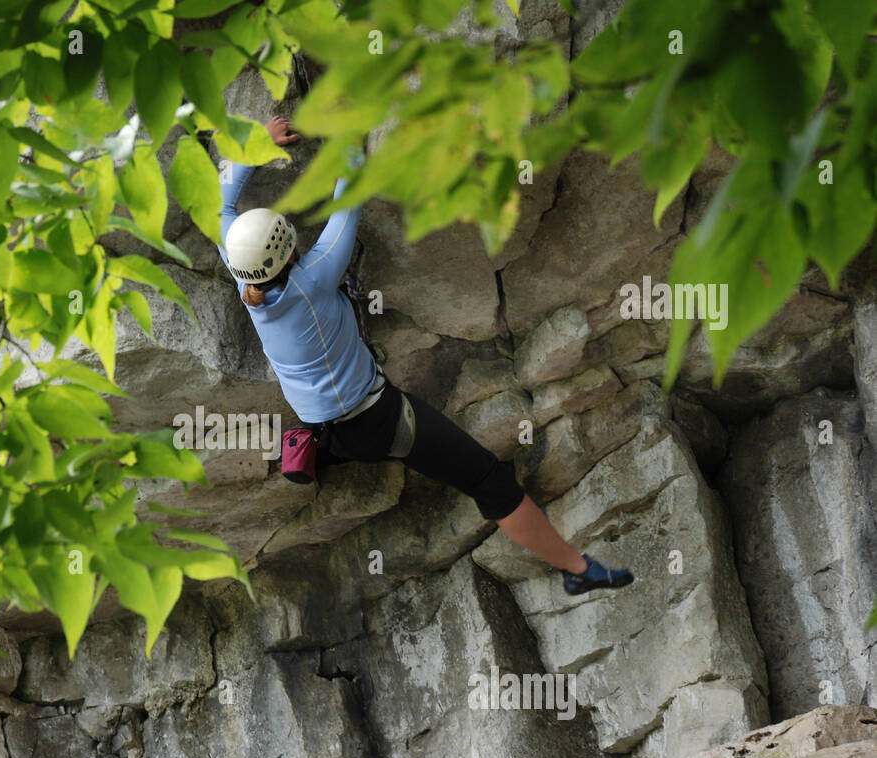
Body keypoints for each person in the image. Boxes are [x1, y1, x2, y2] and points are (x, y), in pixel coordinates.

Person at [216, 116, 634, 596]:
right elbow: (350, 195)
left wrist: (255, 144)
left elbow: (218, 200)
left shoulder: (242, 273)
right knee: (485, 478)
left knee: (341, 431)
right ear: (290, 250)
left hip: (322, 426)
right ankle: (577, 571)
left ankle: (313, 451)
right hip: (378, 420)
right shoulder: (314, 279)